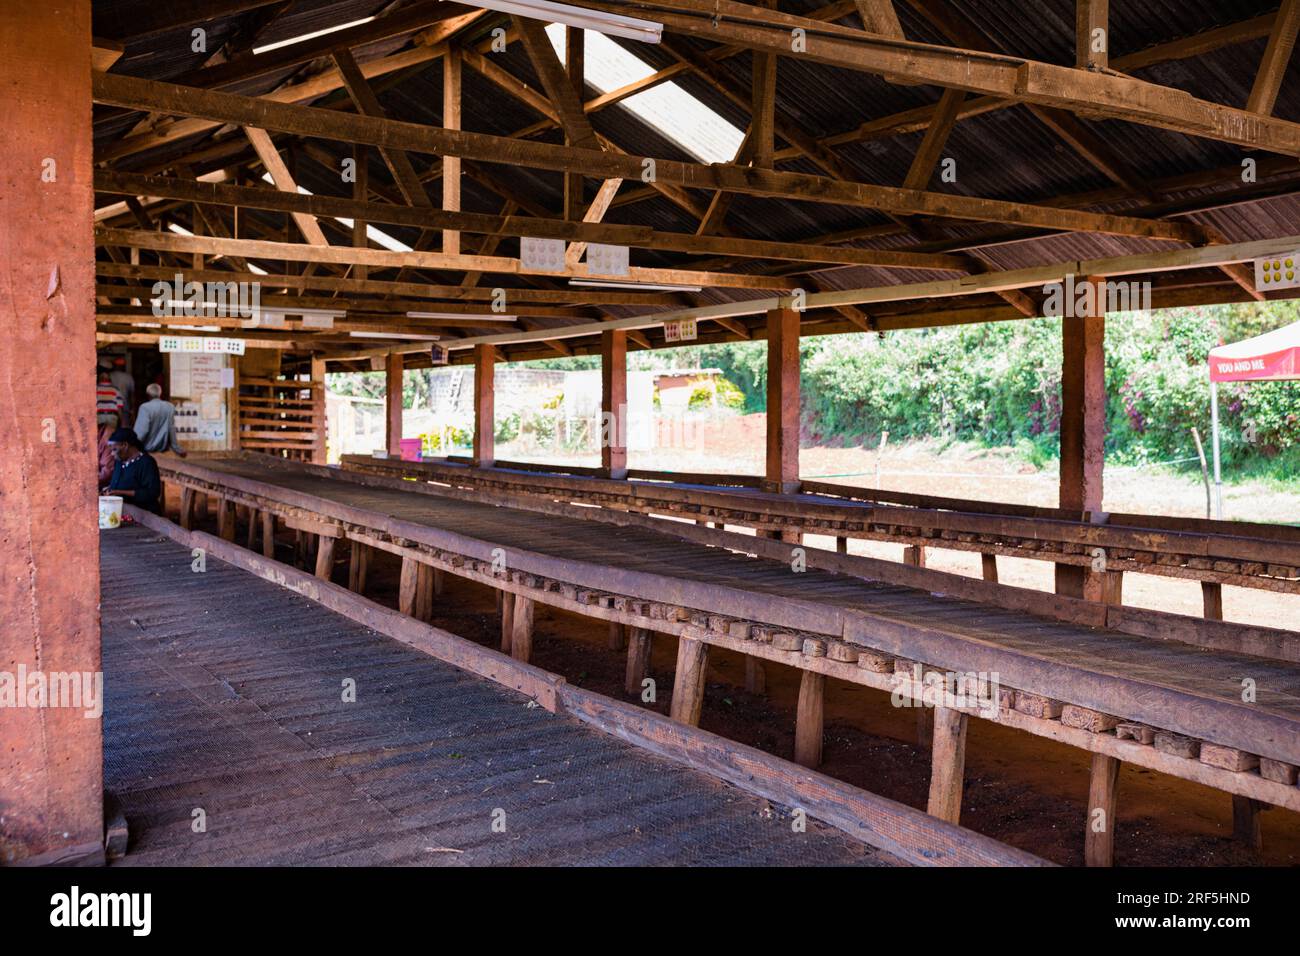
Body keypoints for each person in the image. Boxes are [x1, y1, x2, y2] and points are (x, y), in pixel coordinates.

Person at [104, 427, 162, 514]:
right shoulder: (119, 461)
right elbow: (119, 483)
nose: (112, 454)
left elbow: (152, 493)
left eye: (114, 449)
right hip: (123, 510)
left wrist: (120, 492)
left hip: (144, 514)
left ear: (125, 445)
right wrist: (110, 488)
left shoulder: (147, 463)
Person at [133, 383, 186, 457]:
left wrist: (132, 446)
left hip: (147, 450)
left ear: (148, 395)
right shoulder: (170, 407)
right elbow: (171, 429)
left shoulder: (145, 408)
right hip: (162, 450)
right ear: (160, 394)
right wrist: (177, 449)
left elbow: (141, 432)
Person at [109, 356, 135, 426]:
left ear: (114, 365)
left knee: (112, 428)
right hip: (124, 406)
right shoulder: (128, 377)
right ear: (123, 366)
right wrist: (132, 409)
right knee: (124, 427)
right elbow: (132, 395)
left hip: (112, 406)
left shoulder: (110, 376)